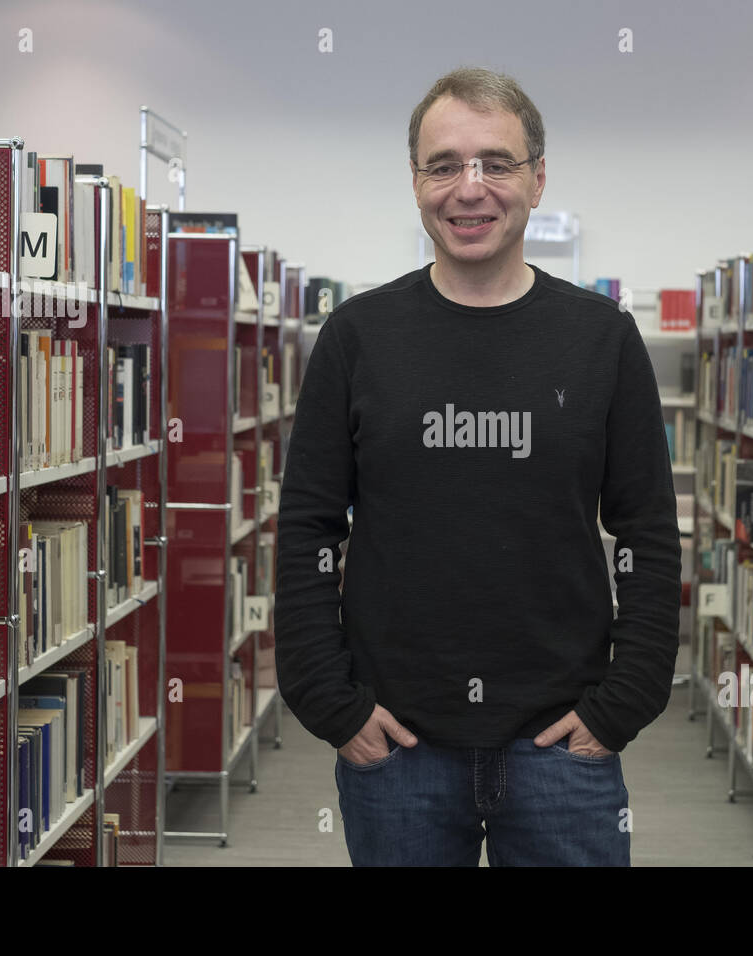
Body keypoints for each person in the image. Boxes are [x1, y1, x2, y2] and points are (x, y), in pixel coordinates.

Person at [274, 66, 680, 866]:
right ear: (415, 182)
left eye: (496, 162)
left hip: (564, 748)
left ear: (536, 179)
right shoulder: (357, 338)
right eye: (443, 165)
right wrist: (329, 702)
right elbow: (306, 531)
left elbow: (648, 534)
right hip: (396, 746)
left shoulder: (602, 339)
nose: (470, 188)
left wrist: (622, 704)